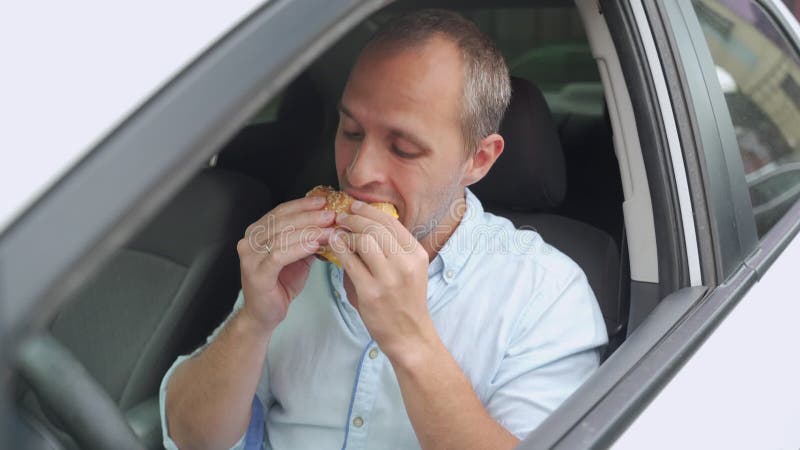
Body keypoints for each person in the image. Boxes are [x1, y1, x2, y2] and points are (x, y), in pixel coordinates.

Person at [159, 9, 607, 450]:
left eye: (404, 148)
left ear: (479, 159)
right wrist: (253, 321)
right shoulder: (293, 261)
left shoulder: (545, 294)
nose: (358, 171)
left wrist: (408, 337)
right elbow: (190, 438)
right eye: (351, 131)